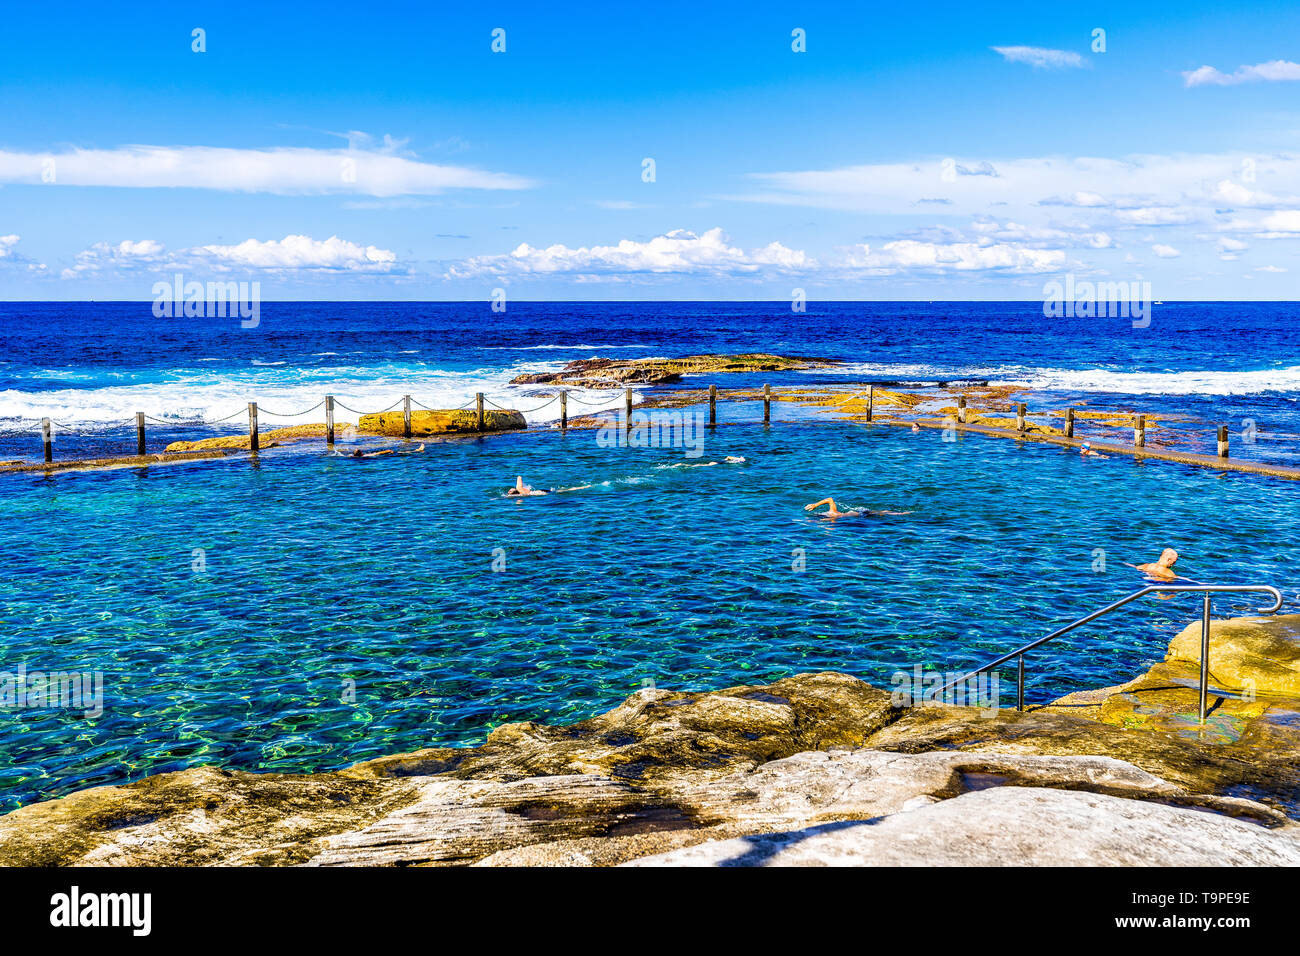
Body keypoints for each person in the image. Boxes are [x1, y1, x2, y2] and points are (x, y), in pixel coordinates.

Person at [804, 497, 911, 519]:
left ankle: (903, 513)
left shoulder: (834, 517)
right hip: (859, 512)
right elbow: (830, 499)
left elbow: (831, 527)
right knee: (882, 512)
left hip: (862, 515)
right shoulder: (833, 512)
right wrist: (815, 505)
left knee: (883, 513)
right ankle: (902, 512)